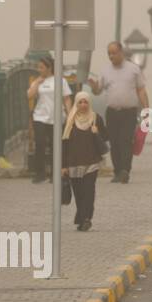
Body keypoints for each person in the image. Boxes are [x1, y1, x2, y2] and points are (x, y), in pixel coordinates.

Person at [87, 41, 149, 183]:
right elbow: (98, 91)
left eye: (114, 53)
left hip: (129, 112)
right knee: (114, 142)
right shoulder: (105, 71)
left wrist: (146, 109)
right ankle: (117, 171)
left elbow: (141, 89)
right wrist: (94, 87)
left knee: (126, 141)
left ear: (121, 52)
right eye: (109, 53)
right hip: (112, 112)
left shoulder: (133, 69)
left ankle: (125, 170)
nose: (111, 56)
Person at [62, 91, 108, 232]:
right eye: (80, 102)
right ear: (76, 103)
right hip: (74, 163)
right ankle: (81, 217)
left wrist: (96, 133)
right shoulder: (69, 121)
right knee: (79, 192)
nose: (83, 105)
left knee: (89, 191)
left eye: (85, 102)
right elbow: (64, 144)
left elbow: (105, 137)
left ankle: (87, 218)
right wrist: (63, 166)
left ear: (89, 103)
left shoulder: (96, 118)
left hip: (91, 162)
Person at [28, 56, 73, 184]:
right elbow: (30, 95)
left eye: (42, 67)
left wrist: (69, 114)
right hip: (40, 116)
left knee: (56, 146)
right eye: (38, 67)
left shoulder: (60, 81)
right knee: (40, 144)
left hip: (57, 118)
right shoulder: (38, 81)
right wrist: (37, 83)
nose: (39, 69)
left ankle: (55, 174)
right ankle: (40, 173)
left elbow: (67, 98)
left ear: (50, 68)